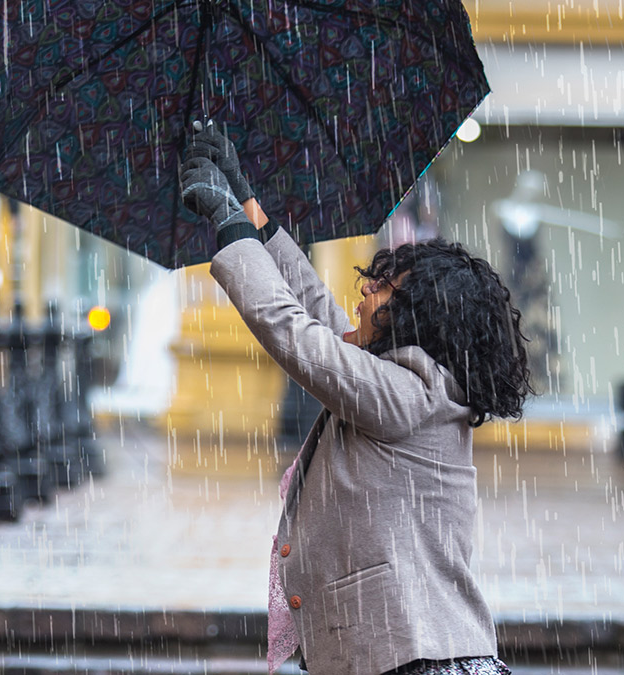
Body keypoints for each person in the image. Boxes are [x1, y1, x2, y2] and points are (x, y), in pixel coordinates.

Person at [180, 120, 534, 675]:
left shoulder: (405, 397)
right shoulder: (398, 383)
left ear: (417, 320)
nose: (367, 288)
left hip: (415, 662)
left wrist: (227, 224)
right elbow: (316, 311)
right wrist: (246, 201)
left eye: (385, 287)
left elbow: (291, 330)